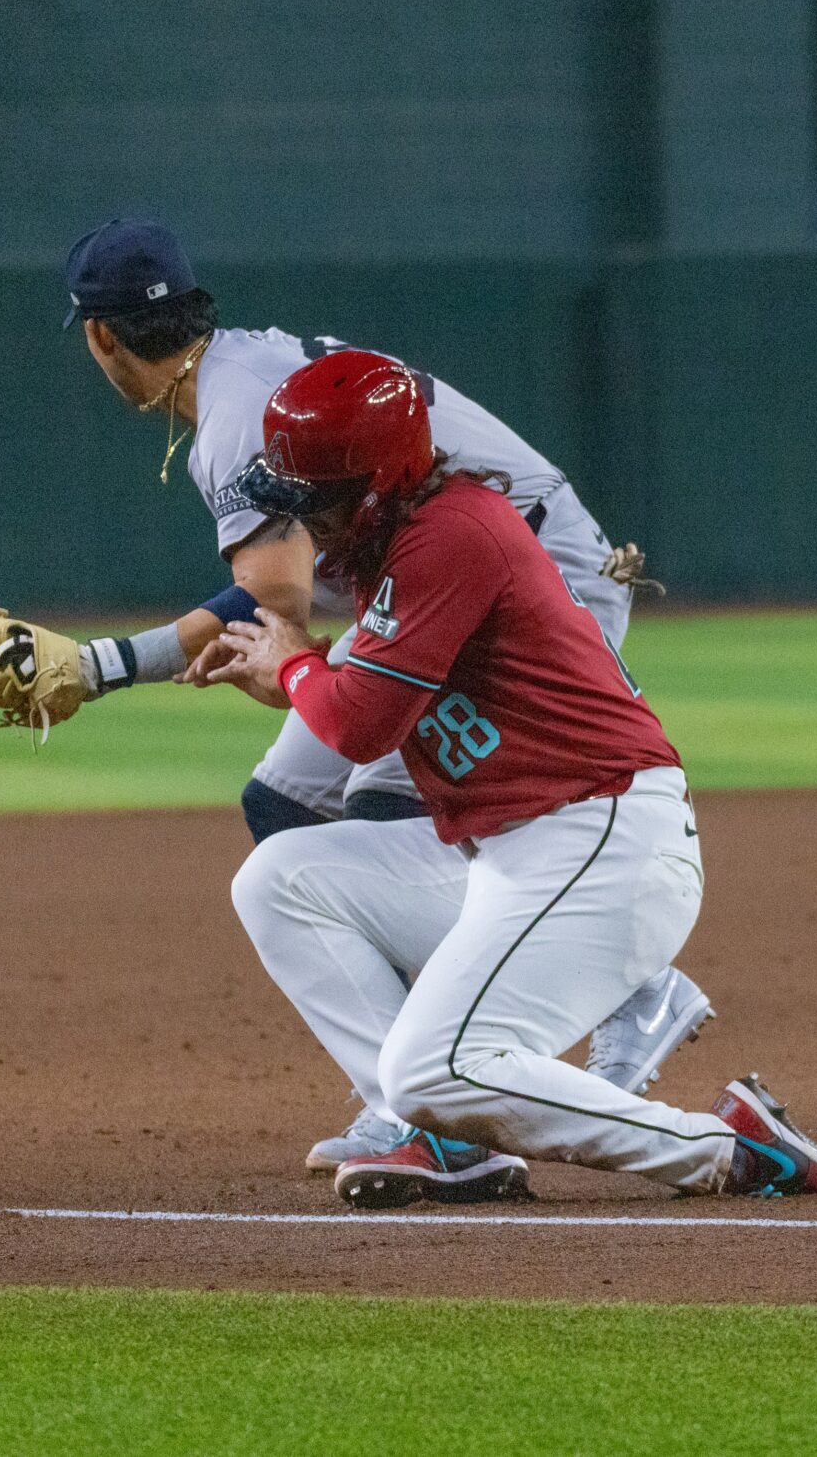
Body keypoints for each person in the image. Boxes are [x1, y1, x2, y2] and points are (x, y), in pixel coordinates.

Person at [60, 218, 713, 1168]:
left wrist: (103, 666)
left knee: (387, 808)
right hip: (450, 568)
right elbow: (281, 599)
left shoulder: (235, 412)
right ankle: (458, 1078)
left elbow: (274, 596)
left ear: (99, 335)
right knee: (288, 805)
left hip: (524, 575)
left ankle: (462, 1089)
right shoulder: (242, 373)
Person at [203, 348, 817, 1207]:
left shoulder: (454, 534)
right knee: (281, 880)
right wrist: (305, 672)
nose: (301, 521)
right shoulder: (399, 543)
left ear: (373, 483)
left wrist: (296, 670)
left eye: (314, 498)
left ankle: (726, 1146)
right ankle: (435, 1138)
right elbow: (360, 702)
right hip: (512, 854)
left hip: (605, 842)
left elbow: (357, 721)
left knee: (433, 1065)